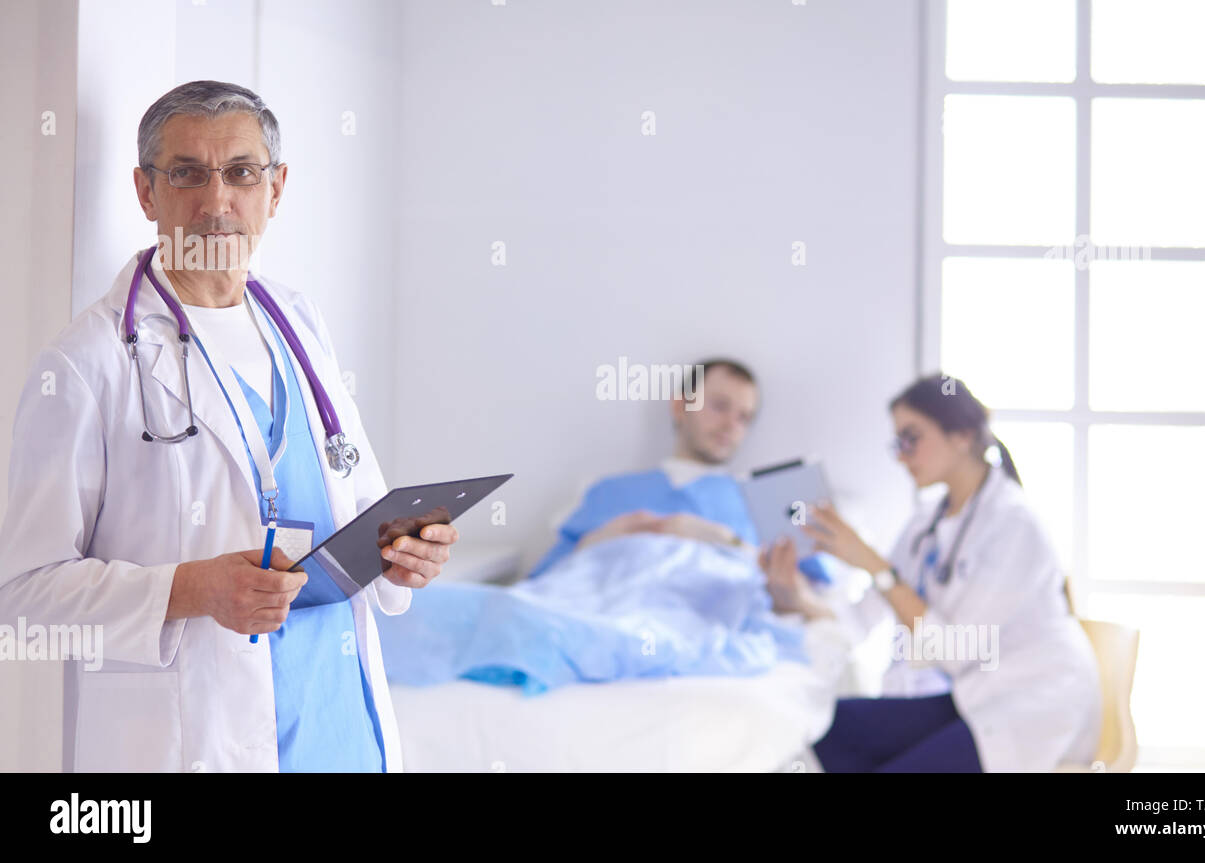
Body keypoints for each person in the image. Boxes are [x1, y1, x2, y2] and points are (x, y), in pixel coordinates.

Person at [0, 81, 456, 772]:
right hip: (197, 747)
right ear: (146, 193)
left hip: (342, 738)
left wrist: (404, 553)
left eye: (241, 173)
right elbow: (23, 597)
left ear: (275, 190)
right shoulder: (88, 362)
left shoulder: (300, 325)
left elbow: (363, 511)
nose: (216, 203)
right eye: (186, 173)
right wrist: (193, 589)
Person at [760, 373, 1101, 772]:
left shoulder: (1013, 525)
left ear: (961, 435)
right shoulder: (925, 524)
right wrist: (793, 593)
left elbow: (956, 651)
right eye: (897, 443)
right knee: (829, 730)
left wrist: (874, 564)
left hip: (1036, 703)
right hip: (978, 697)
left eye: (912, 437)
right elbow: (857, 621)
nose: (901, 455)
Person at [527, 359, 829, 582]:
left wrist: (725, 541)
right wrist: (606, 537)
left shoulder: (763, 501)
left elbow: (805, 596)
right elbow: (540, 584)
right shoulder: (609, 492)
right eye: (719, 406)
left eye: (744, 417)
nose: (730, 426)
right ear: (680, 407)